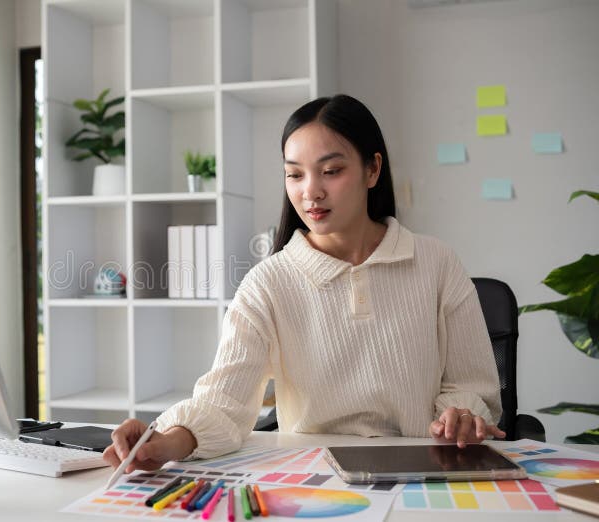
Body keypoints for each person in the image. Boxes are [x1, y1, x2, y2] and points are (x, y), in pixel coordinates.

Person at [104, 94, 505, 474]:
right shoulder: (268, 283)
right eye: (294, 175)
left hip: (423, 470)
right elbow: (224, 403)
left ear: (373, 169)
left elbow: (471, 387)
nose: (310, 191)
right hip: (313, 477)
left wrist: (462, 415)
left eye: (331, 171)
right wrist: (166, 442)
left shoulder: (436, 263)